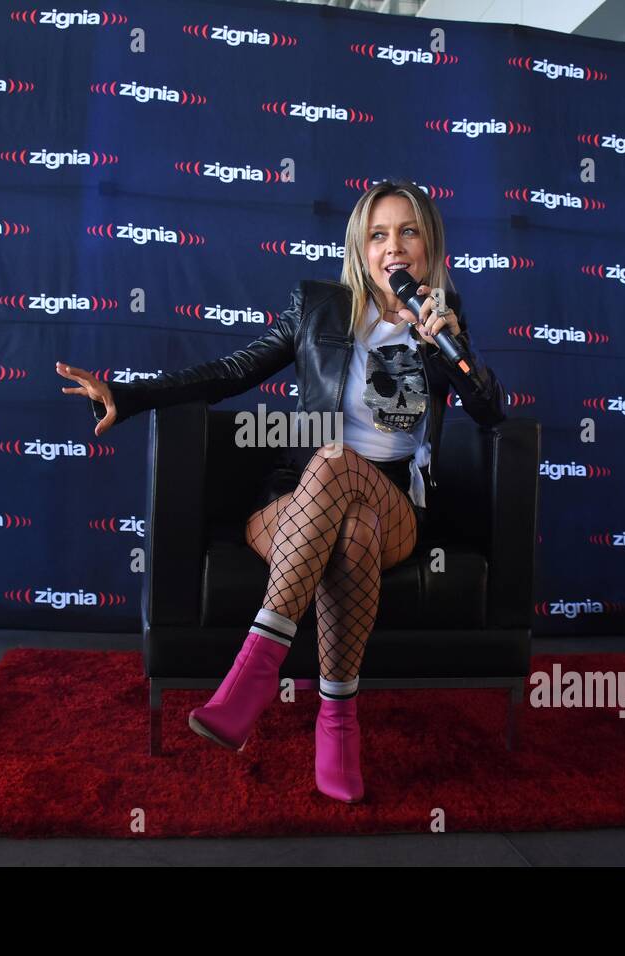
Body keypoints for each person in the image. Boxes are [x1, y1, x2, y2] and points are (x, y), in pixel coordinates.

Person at [56, 179, 508, 802]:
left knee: (343, 470)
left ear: (430, 245)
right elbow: (231, 372)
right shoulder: (319, 306)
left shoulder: (441, 323)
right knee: (344, 510)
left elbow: (492, 416)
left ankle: (252, 674)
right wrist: (130, 396)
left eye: (408, 232)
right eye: (379, 234)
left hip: (398, 504)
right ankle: (338, 724)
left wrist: (450, 351)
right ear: (361, 246)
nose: (394, 246)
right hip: (299, 501)